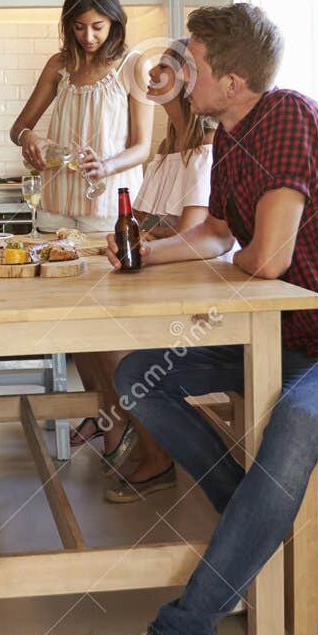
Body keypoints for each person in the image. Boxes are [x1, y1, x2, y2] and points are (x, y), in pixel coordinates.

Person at [59, 3, 318, 635]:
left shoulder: (289, 116)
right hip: (296, 337)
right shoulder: (229, 135)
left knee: (294, 417)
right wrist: (143, 253)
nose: (176, 71)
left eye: (189, 60)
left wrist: (245, 252)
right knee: (138, 376)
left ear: (230, 78)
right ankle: (252, 533)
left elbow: (269, 256)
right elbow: (223, 233)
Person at [8, 0, 152, 449]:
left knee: (107, 327)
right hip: (56, 209)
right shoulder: (60, 66)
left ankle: (130, 420)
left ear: (114, 22)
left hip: (105, 210)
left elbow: (143, 146)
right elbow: (19, 127)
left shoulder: (133, 67)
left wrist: (106, 164)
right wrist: (31, 139)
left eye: (98, 26)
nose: (88, 37)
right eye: (79, 27)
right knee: (74, 326)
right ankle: (105, 414)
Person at [95, 42, 216, 504]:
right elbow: (144, 220)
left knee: (111, 343)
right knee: (94, 338)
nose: (151, 74)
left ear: (187, 78)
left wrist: (147, 234)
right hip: (162, 280)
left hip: (193, 293)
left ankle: (157, 455)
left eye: (163, 68)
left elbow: (189, 231)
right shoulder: (168, 147)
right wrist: (136, 235)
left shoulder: (206, 146)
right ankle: (128, 431)